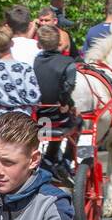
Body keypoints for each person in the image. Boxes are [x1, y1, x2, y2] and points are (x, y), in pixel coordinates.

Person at [33, 23, 79, 180]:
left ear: (39, 44)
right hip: (59, 116)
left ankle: (51, 158)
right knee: (78, 122)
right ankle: (64, 160)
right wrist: (66, 103)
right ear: (59, 42)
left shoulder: (34, 63)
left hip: (40, 116)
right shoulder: (68, 63)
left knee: (50, 125)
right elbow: (68, 87)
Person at [0, 25, 43, 115]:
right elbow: (34, 96)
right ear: (12, 43)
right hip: (22, 118)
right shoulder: (25, 68)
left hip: (0, 119)